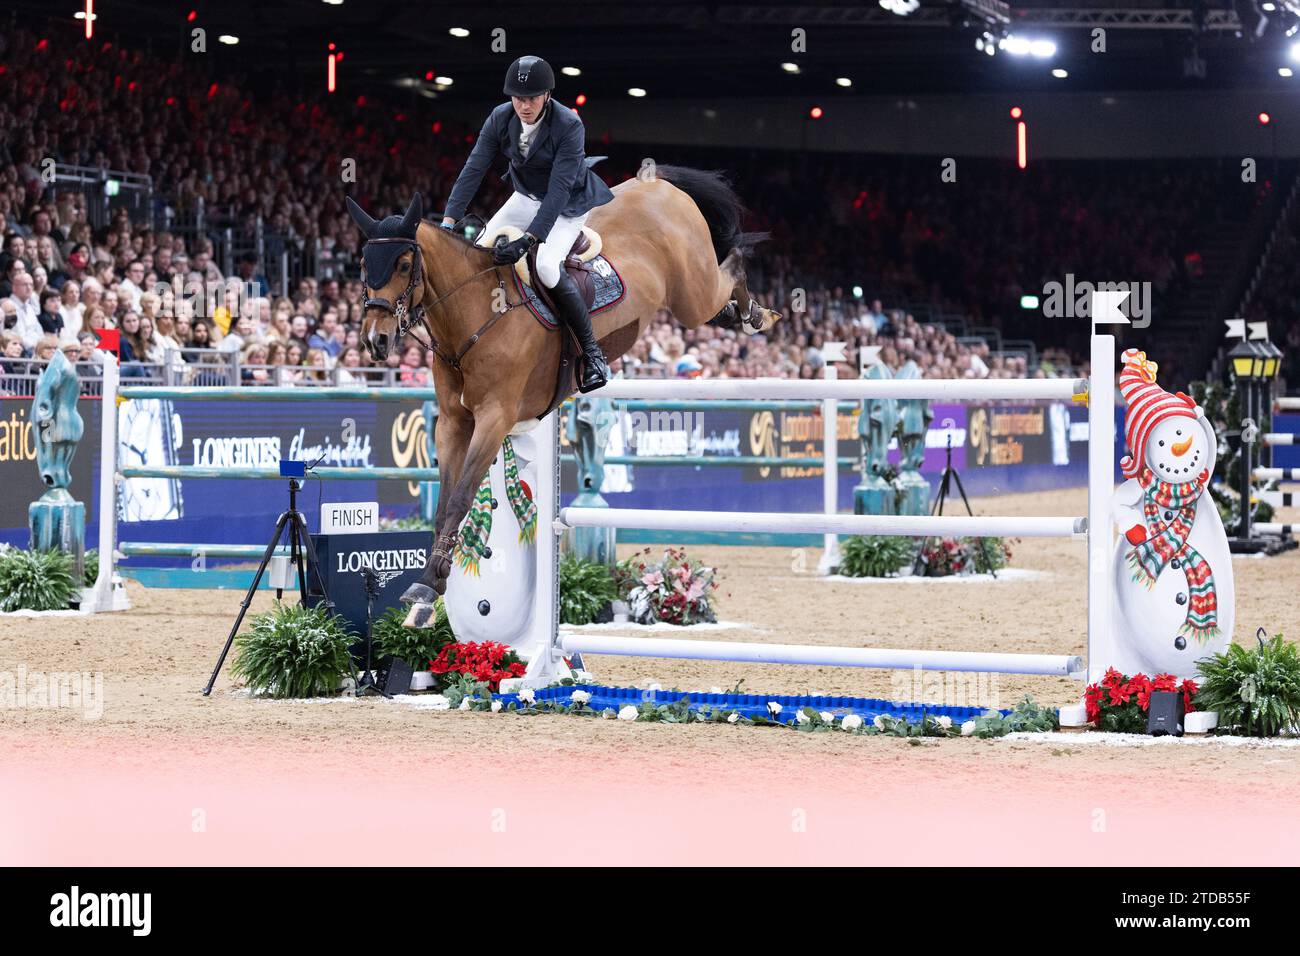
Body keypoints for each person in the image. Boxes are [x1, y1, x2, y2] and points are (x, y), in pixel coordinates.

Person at [441, 55, 614, 393]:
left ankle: (592, 354)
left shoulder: (569, 124)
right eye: (518, 98)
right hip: (525, 196)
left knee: (548, 267)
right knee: (479, 252)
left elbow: (560, 189)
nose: (524, 105)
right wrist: (449, 220)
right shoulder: (500, 117)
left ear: (547, 95)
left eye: (532, 98)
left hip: (567, 204)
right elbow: (474, 168)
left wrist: (532, 238)